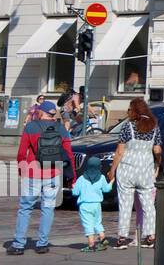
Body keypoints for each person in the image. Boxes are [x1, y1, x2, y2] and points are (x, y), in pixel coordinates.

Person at [9, 107, 76, 255]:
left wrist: (21, 170)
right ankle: (42, 244)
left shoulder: (31, 126)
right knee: (48, 208)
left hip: (33, 173)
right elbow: (69, 154)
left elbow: (21, 153)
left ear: (41, 112)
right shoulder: (60, 128)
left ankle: (19, 244)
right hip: (54, 173)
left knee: (25, 208)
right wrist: (73, 177)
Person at [108, 98, 162, 249]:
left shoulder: (128, 127)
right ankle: (150, 235)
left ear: (134, 111)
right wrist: (157, 163)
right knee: (148, 205)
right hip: (145, 169)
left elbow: (120, 151)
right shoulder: (154, 128)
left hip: (127, 169)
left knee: (125, 204)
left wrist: (112, 169)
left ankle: (122, 237)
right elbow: (157, 150)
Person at [72, 156, 113, 251]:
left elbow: (75, 193)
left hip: (85, 205)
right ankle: (103, 238)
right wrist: (111, 182)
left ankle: (91, 244)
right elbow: (106, 189)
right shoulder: (102, 177)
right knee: (97, 222)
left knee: (88, 223)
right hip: (97, 205)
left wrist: (74, 186)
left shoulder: (81, 178)